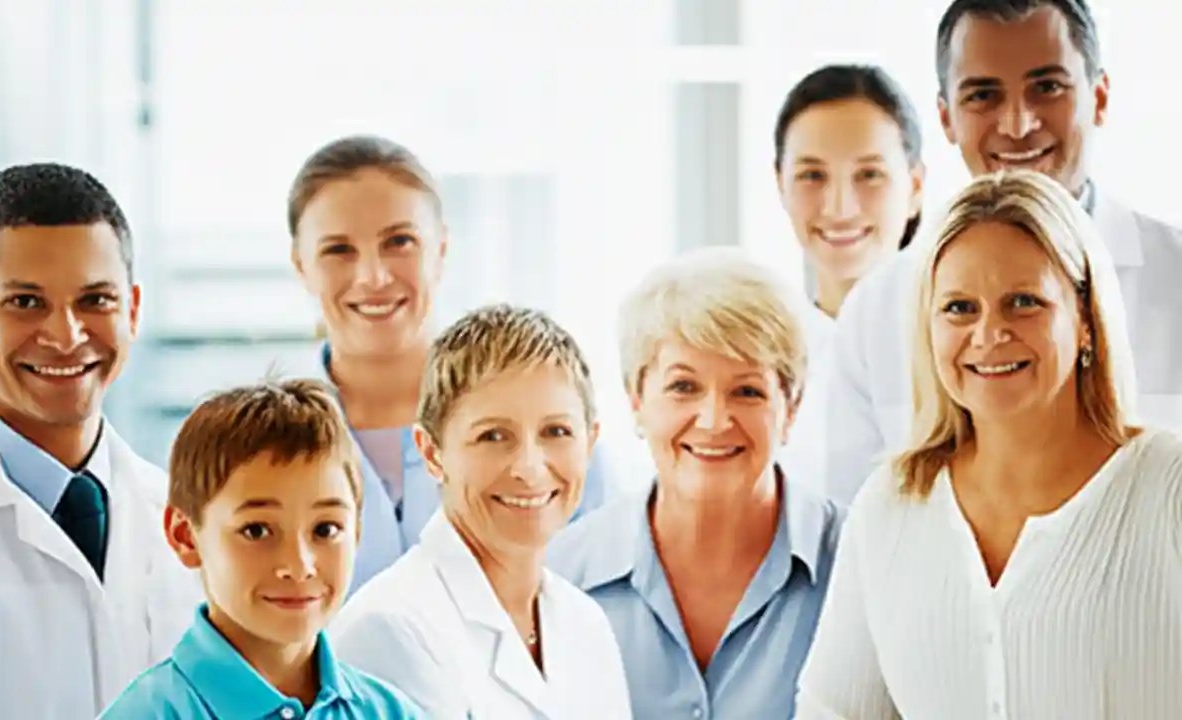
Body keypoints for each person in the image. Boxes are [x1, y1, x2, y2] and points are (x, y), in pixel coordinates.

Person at [796, 170, 1182, 719]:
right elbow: (833, 712)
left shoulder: (1168, 488)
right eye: (959, 308)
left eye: (1023, 301)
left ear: (1086, 320)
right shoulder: (890, 505)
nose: (988, 334)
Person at [823, 0, 1182, 504]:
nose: (1017, 124)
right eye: (983, 95)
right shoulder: (877, 311)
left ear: (1098, 97)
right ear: (946, 117)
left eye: (1048, 88)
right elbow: (857, 532)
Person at [0, 163, 199, 718]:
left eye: (95, 300)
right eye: (26, 302)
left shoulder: (181, 518)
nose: (66, 335)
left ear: (132, 310)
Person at [286, 135, 611, 594]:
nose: (373, 277)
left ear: (440, 250)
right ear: (301, 264)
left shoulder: (549, 427)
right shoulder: (263, 441)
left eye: (399, 241)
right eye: (338, 250)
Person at [549, 247, 844, 720]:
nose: (713, 420)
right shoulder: (560, 577)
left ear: (789, 410)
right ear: (637, 399)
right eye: (683, 387)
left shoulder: (856, 565)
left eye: (747, 391)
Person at [331, 305, 632, 719]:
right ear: (432, 453)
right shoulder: (389, 630)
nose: (529, 467)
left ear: (589, 441)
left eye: (556, 432)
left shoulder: (586, 624)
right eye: (493, 436)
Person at [100, 379, 421, 719]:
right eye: (257, 530)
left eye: (325, 529)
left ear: (356, 530)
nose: (299, 566)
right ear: (185, 535)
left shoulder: (392, 712)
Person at [772, 64, 925, 493]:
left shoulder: (968, 346)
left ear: (914, 187)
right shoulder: (760, 357)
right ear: (779, 185)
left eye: (869, 175)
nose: (840, 207)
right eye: (812, 176)